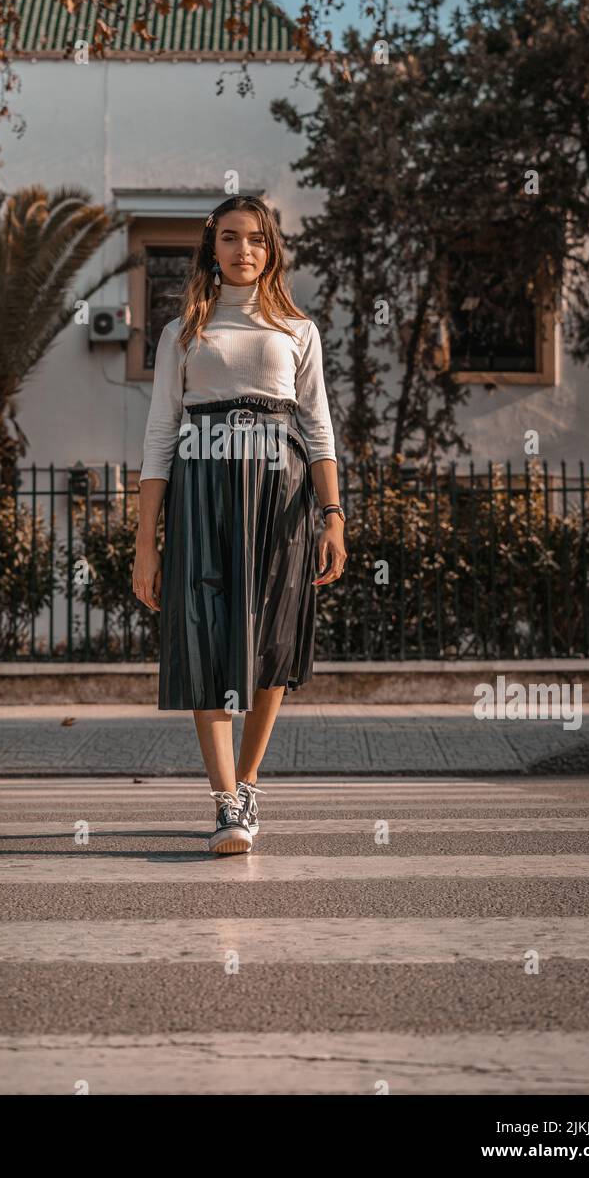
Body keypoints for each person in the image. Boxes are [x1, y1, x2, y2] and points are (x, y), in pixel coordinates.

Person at [132, 195, 346, 855]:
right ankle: (225, 801)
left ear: (271, 249)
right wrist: (145, 543)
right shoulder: (183, 333)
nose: (243, 249)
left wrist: (333, 515)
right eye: (230, 237)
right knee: (203, 635)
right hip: (201, 493)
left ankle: (249, 782)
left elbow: (316, 427)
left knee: (272, 643)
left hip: (281, 500)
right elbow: (160, 434)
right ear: (211, 247)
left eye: (256, 239)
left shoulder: (297, 330)